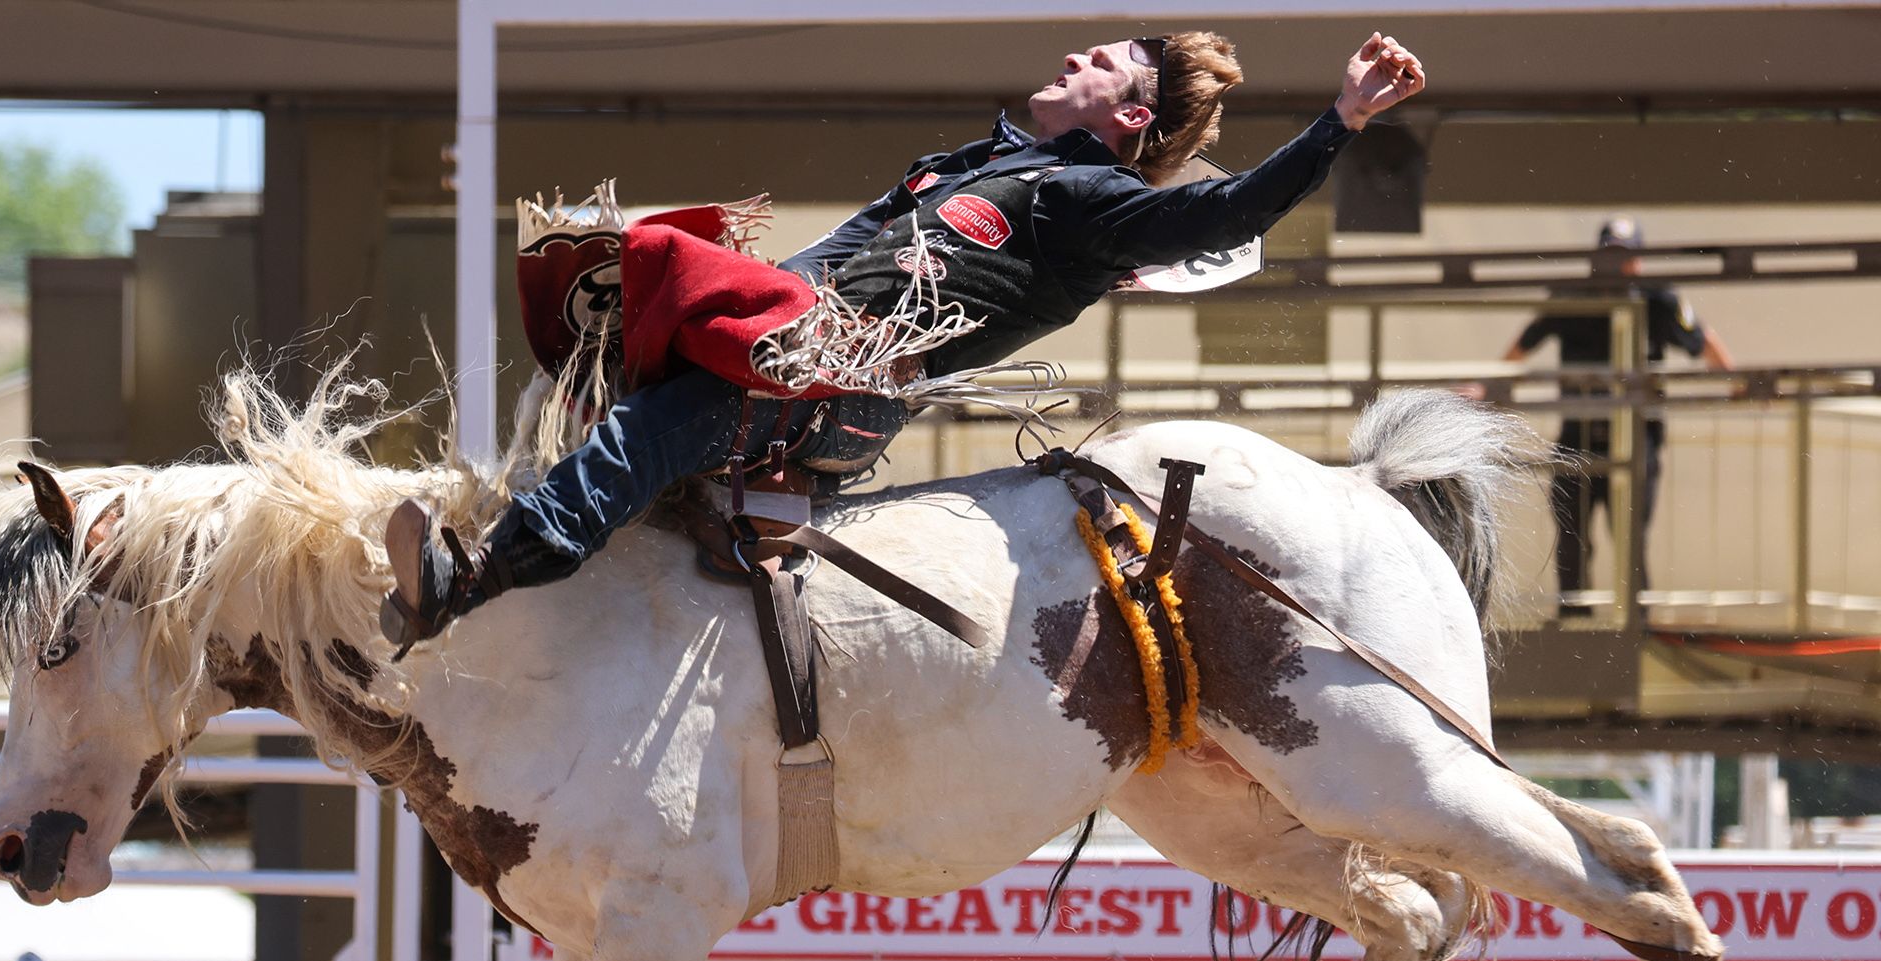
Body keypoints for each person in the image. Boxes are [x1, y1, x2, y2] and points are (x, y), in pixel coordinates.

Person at [380, 30, 1428, 648]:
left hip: (841, 389)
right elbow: (827, 257)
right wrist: (722, 302)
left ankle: (472, 578)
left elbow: (1223, 212)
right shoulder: (972, 163)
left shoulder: (1092, 205)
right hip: (792, 348)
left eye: (1104, 62)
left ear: (1128, 118)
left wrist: (1339, 120)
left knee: (657, 425)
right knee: (616, 344)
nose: (1075, 53)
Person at [1499, 215, 1734, 614]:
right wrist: (1486, 388)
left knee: (1630, 542)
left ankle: (1637, 630)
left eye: (1625, 256)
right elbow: (1522, 345)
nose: (1617, 265)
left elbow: (1702, 338)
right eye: (1609, 255)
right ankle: (1574, 625)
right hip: (1577, 438)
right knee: (1571, 540)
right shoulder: (1573, 297)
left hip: (1637, 438)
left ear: (1639, 259)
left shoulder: (1657, 299)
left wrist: (1740, 382)